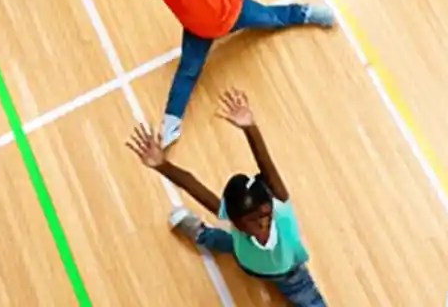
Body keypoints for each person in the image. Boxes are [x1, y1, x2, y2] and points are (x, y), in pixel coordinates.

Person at [101, 0, 335, 147]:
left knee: (271, 18)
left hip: (236, 12)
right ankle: (171, 122)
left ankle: (306, 13)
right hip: (198, 32)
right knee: (187, 73)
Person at [126, 89, 328, 306]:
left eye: (264, 214)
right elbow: (194, 186)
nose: (262, 223)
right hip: (246, 259)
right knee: (228, 243)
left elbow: (266, 166)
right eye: (252, 220)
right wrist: (162, 166)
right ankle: (201, 233)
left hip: (289, 275)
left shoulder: (281, 211)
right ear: (238, 222)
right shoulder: (235, 224)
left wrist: (250, 128)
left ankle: (204, 235)